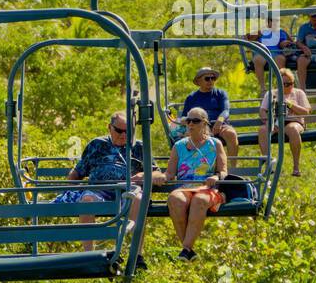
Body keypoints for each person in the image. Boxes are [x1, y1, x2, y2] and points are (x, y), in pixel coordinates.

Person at [57, 111, 163, 253]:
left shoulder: (138, 147)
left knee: (138, 199)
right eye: (119, 131)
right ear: (109, 127)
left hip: (127, 191)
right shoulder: (97, 145)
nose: (123, 135)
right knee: (87, 200)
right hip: (99, 190)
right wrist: (66, 188)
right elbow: (78, 172)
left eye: (127, 131)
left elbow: (157, 172)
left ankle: (136, 255)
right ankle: (89, 254)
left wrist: (141, 175)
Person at [164, 106, 227, 261]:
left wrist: (217, 177)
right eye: (188, 121)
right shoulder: (178, 146)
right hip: (185, 188)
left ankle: (185, 248)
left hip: (207, 188)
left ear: (204, 123)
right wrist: (159, 177)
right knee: (174, 199)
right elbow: (170, 173)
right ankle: (188, 250)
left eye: (195, 121)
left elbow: (224, 170)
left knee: (199, 200)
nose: (190, 124)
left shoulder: (215, 144)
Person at [181, 65, 238, 169]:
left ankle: (233, 168)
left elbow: (225, 110)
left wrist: (219, 121)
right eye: (207, 78)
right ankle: (195, 168)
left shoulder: (220, 94)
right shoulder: (192, 98)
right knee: (188, 138)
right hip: (199, 126)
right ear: (199, 81)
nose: (211, 81)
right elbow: (185, 116)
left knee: (231, 133)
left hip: (219, 126)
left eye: (213, 78)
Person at [260, 67, 310, 176]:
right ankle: (268, 164)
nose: (288, 86)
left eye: (290, 83)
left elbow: (306, 112)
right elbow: (263, 111)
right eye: (284, 84)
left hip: (294, 121)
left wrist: (290, 104)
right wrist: (269, 121)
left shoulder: (299, 93)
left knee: (292, 129)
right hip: (276, 122)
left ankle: (296, 166)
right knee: (263, 130)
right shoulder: (271, 94)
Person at [246, 15, 297, 85]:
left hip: (276, 52)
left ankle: (282, 85)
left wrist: (287, 44)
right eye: (272, 21)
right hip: (263, 53)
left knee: (280, 59)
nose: (275, 23)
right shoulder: (262, 32)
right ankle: (262, 88)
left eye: (277, 21)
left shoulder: (282, 32)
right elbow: (247, 37)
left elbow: (292, 43)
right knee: (258, 60)